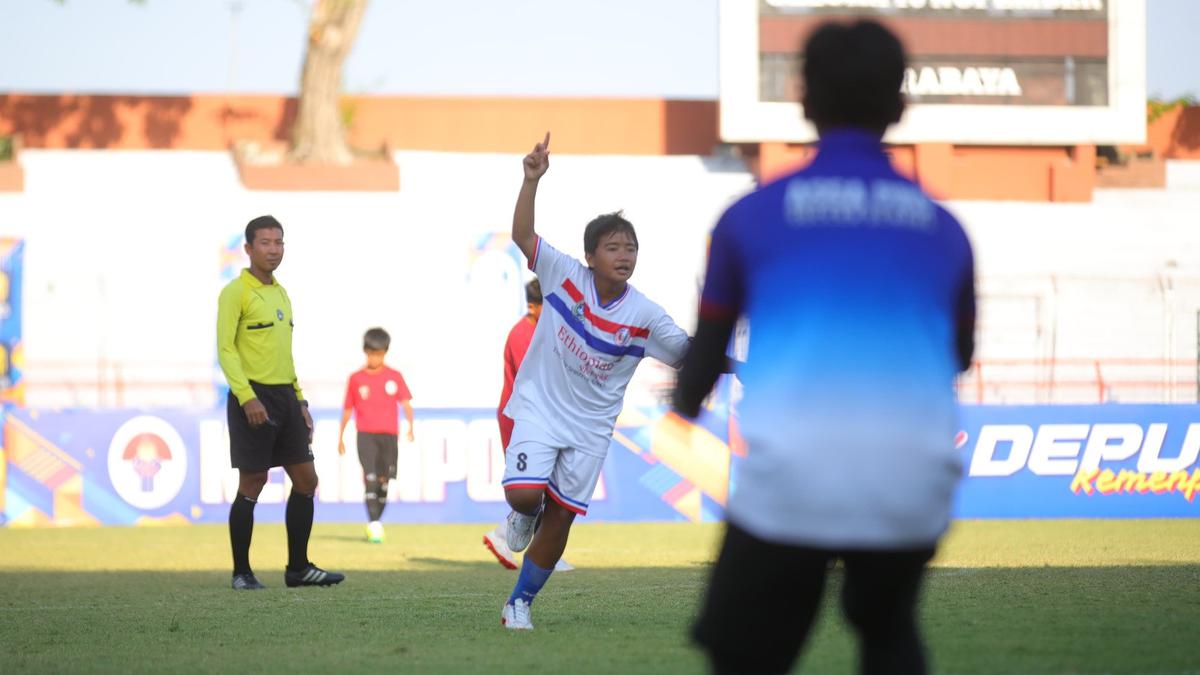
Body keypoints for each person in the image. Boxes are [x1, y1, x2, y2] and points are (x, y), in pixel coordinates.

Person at [674, 20, 976, 675]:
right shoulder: (945, 228)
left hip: (793, 476)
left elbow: (706, 354)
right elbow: (959, 352)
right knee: (888, 628)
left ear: (804, 100)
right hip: (911, 478)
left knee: (743, 650)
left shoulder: (752, 215)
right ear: (900, 106)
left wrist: (681, 406)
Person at [499, 133, 691, 630]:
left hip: (590, 429)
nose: (624, 255)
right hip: (541, 409)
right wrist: (530, 180)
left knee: (561, 519)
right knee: (524, 496)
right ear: (590, 256)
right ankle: (523, 513)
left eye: (631, 248)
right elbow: (523, 236)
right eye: (613, 247)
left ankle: (518, 603)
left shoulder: (645, 314)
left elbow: (692, 354)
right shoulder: (563, 275)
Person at [217, 215, 345, 590]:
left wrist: (300, 401)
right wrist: (246, 397)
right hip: (252, 396)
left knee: (307, 480)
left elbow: (285, 356)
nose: (274, 249)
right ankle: (242, 573)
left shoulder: (282, 293)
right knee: (253, 482)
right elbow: (226, 349)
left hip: (286, 398)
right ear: (249, 248)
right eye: (266, 243)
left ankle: (298, 568)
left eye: (279, 242)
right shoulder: (234, 293)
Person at [481, 279, 574, 572]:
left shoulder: (548, 331)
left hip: (541, 418)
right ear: (533, 306)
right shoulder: (523, 335)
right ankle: (508, 537)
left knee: (547, 485)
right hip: (519, 419)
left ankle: (535, 548)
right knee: (536, 484)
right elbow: (537, 381)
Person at [337, 327, 415, 544]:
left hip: (389, 436)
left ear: (385, 352)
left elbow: (406, 403)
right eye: (371, 353)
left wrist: (410, 426)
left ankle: (376, 522)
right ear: (365, 351)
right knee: (370, 478)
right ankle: (373, 524)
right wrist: (341, 436)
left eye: (379, 353)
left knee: (383, 483)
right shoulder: (356, 378)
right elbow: (347, 409)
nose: (375, 357)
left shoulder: (394, 376)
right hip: (366, 435)